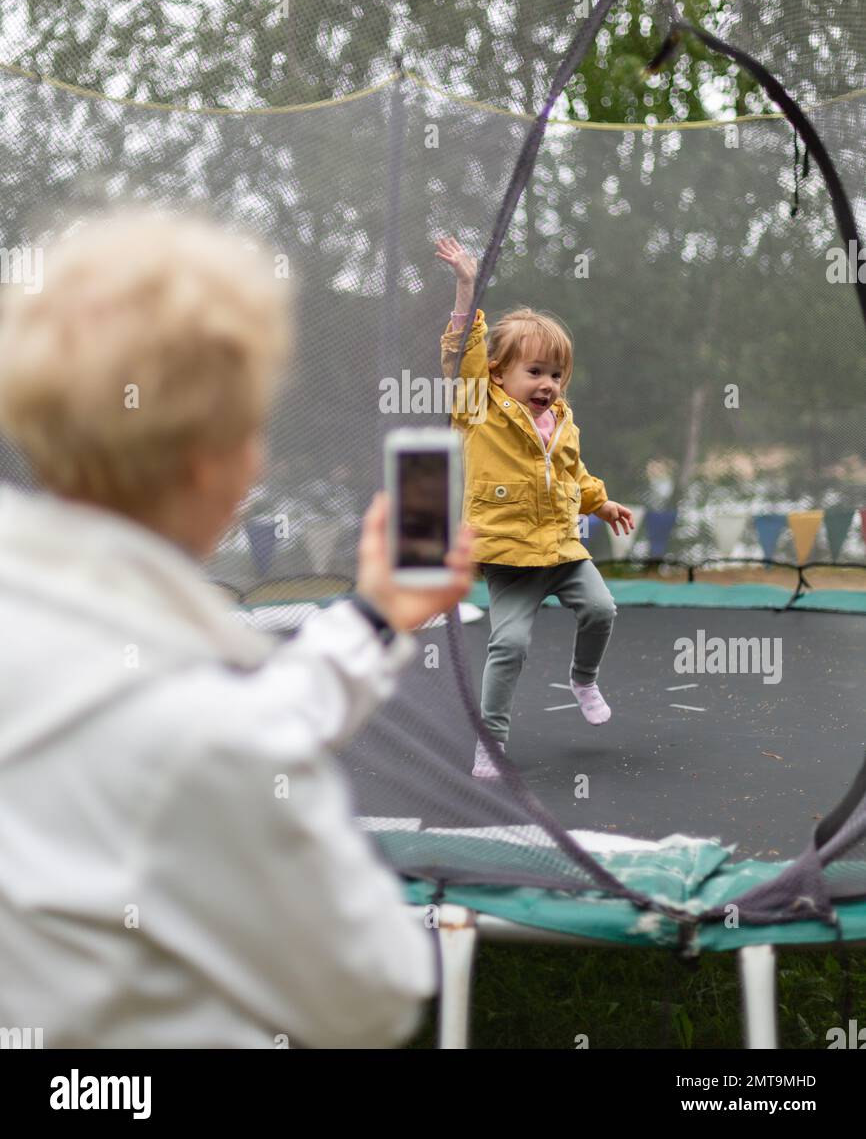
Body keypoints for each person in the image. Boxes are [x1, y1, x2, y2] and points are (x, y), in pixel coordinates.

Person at [0, 212, 475, 1049]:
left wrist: (372, 621)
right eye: (251, 427)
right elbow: (373, 994)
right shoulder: (208, 738)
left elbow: (216, 740)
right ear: (209, 462)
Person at [435, 236, 634, 779]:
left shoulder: (562, 423)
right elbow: (461, 355)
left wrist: (602, 501)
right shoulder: (479, 410)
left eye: (556, 375)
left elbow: (572, 473)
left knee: (602, 610)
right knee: (510, 644)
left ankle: (583, 679)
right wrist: (466, 287)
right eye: (536, 373)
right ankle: (490, 741)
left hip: (563, 548)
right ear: (499, 375)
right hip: (509, 553)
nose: (548, 384)